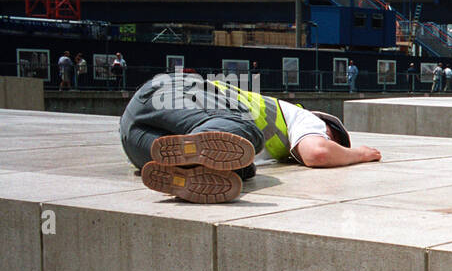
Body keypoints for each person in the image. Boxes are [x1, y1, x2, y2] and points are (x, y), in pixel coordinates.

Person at [120, 70, 381, 204]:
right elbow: (318, 153)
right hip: (171, 92)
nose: (327, 141)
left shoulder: (280, 145)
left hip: (136, 138)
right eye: (331, 137)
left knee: (240, 165)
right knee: (249, 136)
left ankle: (181, 171)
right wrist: (360, 154)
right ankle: (192, 153)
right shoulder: (302, 117)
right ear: (323, 123)